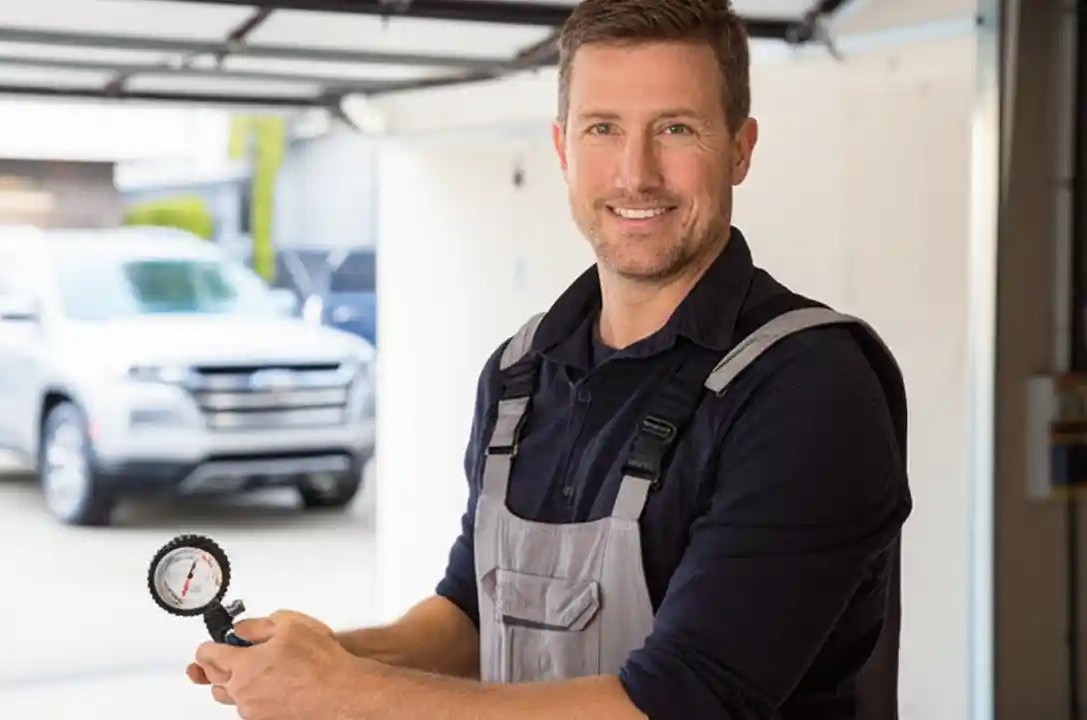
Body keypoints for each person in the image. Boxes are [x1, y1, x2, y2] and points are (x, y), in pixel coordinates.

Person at [186, 1, 913, 718]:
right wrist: (327, 657)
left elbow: (684, 703)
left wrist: (344, 693)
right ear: (564, 148)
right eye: (604, 129)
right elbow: (471, 617)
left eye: (675, 128)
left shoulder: (809, 388)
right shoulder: (518, 374)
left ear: (740, 148)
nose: (636, 173)